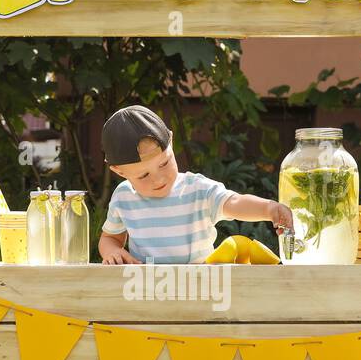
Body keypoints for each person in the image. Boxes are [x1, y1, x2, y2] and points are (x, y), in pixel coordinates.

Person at [98, 105, 293, 265]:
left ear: (171, 143)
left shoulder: (197, 189)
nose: (159, 179)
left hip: (200, 291)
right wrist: (113, 251)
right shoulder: (124, 197)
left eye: (164, 163)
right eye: (143, 175)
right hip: (148, 294)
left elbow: (234, 202)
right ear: (119, 171)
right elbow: (110, 238)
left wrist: (269, 209)